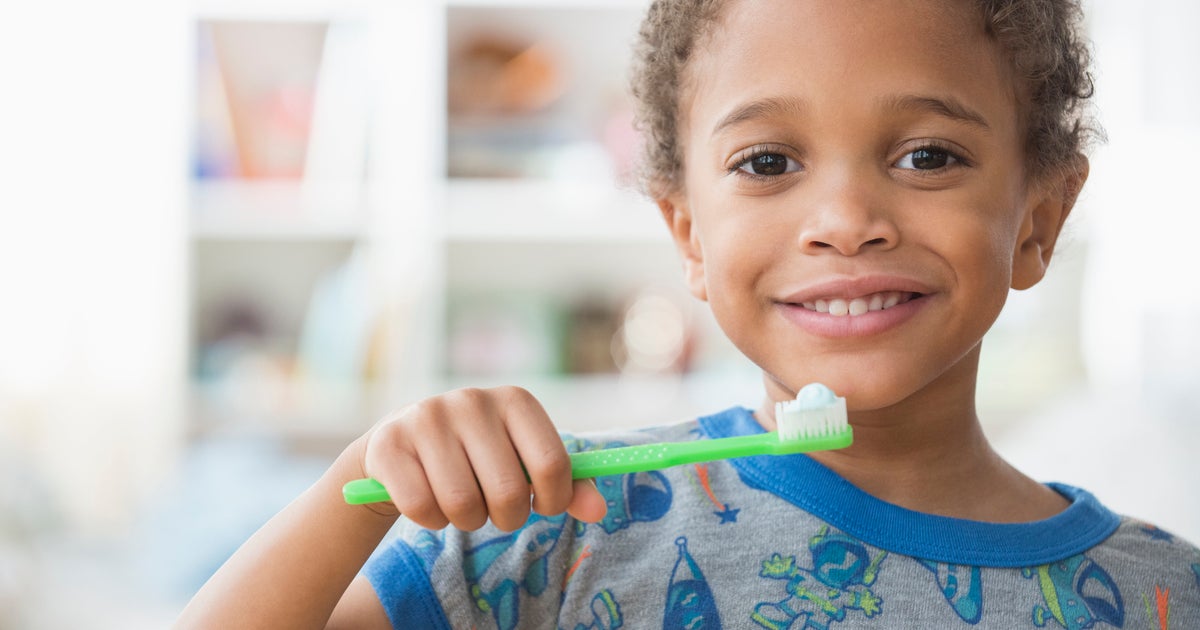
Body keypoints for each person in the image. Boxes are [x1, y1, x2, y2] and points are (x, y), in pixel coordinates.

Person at [177, 1, 1200, 628]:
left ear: (1040, 218)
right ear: (690, 238)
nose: (844, 220)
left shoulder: (1165, 592)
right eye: (768, 163)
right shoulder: (553, 540)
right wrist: (358, 480)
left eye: (927, 155)